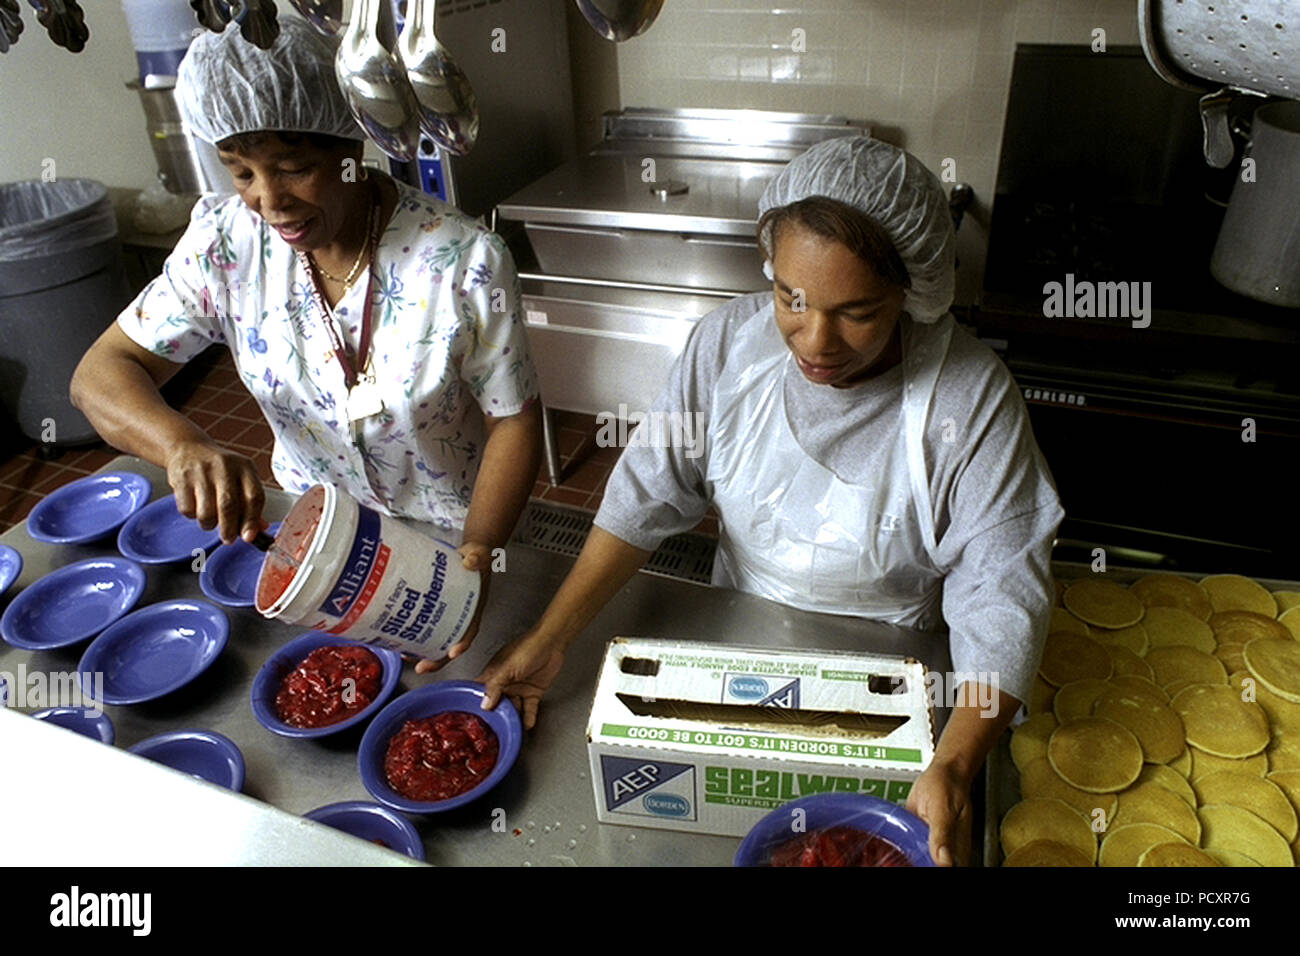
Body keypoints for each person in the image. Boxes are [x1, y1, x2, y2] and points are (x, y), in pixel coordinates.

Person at [470, 136, 1066, 866]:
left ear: (914, 291)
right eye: (793, 298)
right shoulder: (726, 347)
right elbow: (646, 493)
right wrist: (550, 636)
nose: (816, 341)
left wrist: (953, 763)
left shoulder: (969, 401)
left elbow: (999, 597)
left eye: (859, 312)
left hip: (893, 668)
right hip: (737, 638)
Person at [70, 20, 541, 646]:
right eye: (241, 173)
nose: (269, 202)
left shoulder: (462, 261)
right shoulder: (227, 248)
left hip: (450, 537)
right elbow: (99, 375)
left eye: (294, 169)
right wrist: (181, 443)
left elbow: (514, 419)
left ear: (353, 147)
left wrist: (478, 553)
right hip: (315, 536)